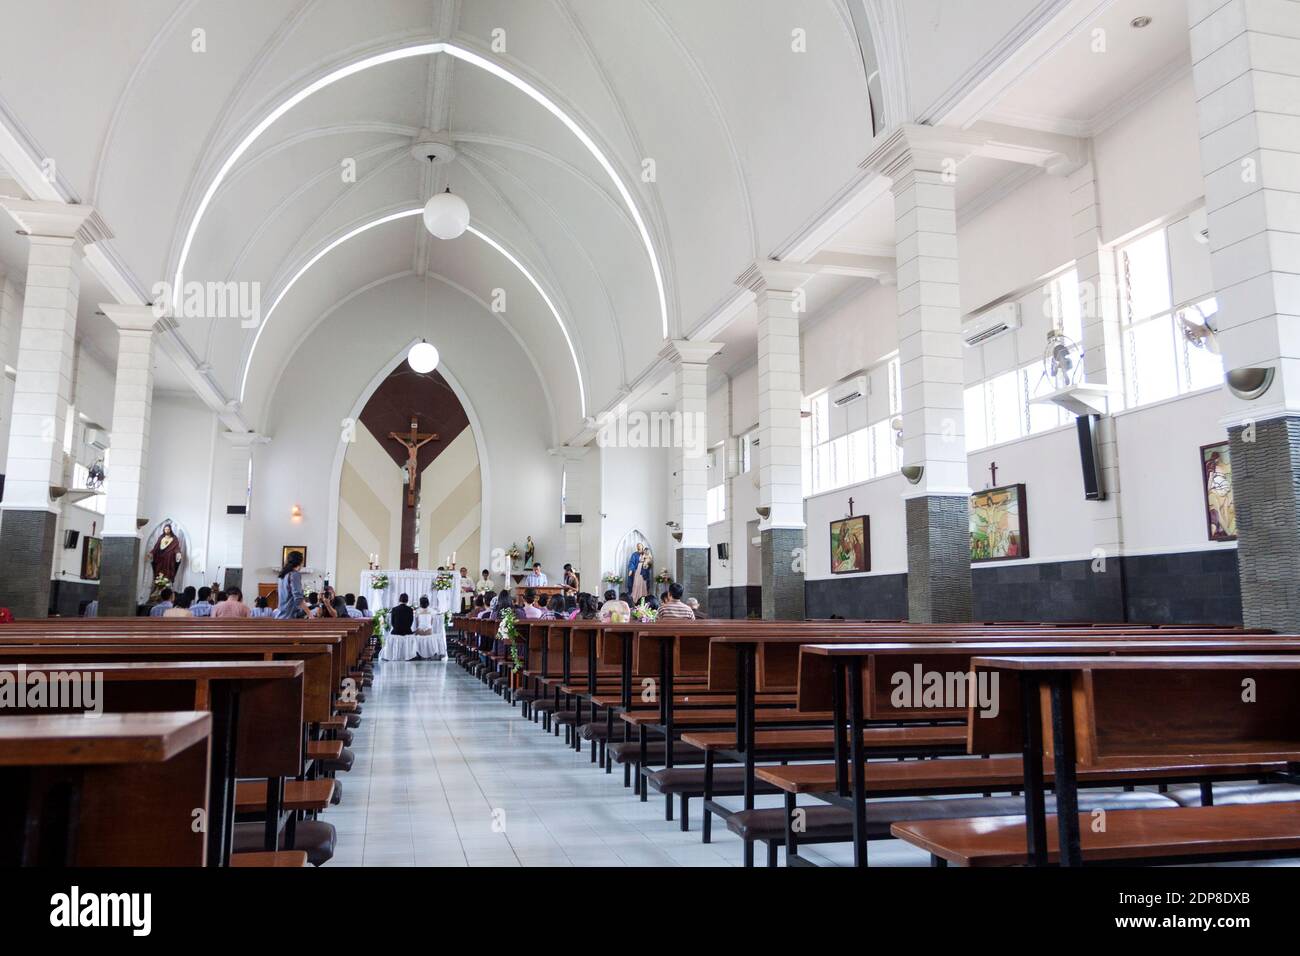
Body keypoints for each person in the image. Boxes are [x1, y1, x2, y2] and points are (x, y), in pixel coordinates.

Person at [276, 551, 308, 619]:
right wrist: (310, 614)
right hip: (290, 616)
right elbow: (298, 598)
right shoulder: (294, 574)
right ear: (300, 562)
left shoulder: (282, 575)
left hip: (281, 615)